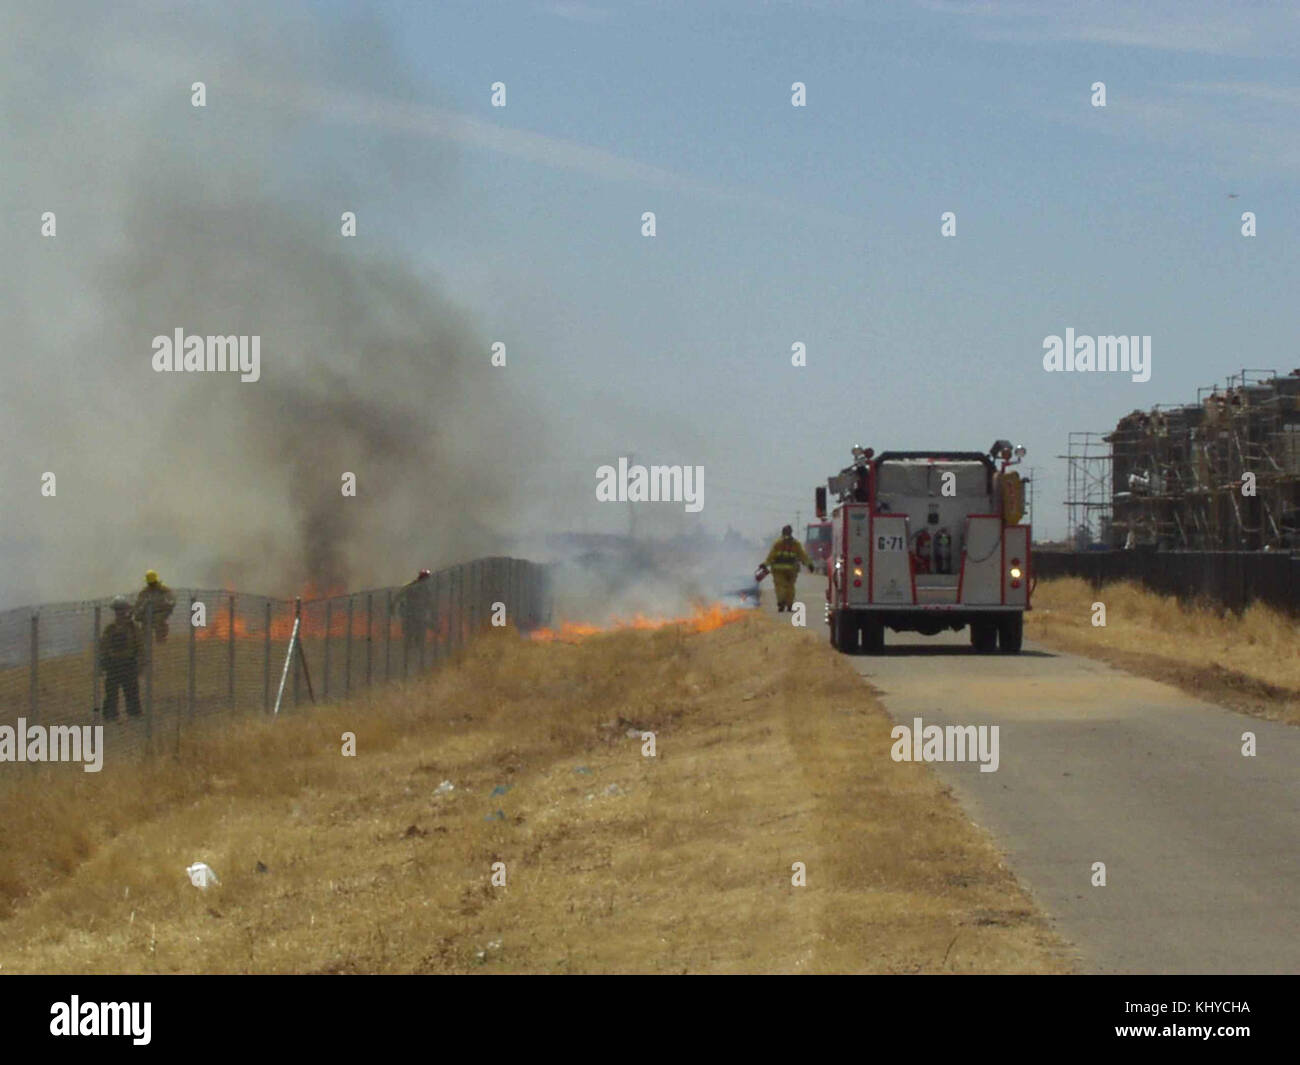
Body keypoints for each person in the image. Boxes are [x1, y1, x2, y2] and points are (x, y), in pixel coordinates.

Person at [99, 595, 143, 720]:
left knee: (132, 692)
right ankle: (110, 716)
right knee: (111, 693)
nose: (120, 613)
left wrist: (140, 664)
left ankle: (134, 715)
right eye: (117, 610)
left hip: (128, 663)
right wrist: (102, 663)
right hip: (113, 664)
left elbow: (140, 647)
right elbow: (103, 647)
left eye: (122, 609)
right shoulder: (110, 628)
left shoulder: (133, 628)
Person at [762, 525, 814, 612]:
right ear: (791, 532)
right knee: (790, 587)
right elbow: (803, 556)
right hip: (791, 570)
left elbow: (771, 556)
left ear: (782, 532)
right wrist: (809, 565)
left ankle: (781, 602)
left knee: (780, 586)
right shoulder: (796, 544)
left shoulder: (777, 543)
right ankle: (789, 605)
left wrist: (765, 564)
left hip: (778, 570)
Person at [392, 569, 434, 659]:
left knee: (418, 637)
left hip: (416, 615)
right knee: (411, 637)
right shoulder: (413, 587)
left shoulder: (423, 588)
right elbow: (398, 596)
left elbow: (429, 602)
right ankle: (409, 656)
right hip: (411, 615)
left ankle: (416, 656)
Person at [133, 569, 176, 643]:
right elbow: (138, 604)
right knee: (145, 626)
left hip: (160, 612)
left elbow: (171, 600)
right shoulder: (144, 592)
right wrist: (137, 612)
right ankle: (146, 642)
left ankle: (161, 641)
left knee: (159, 623)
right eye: (150, 583)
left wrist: (168, 605)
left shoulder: (163, 590)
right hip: (147, 614)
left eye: (153, 583)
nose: (152, 585)